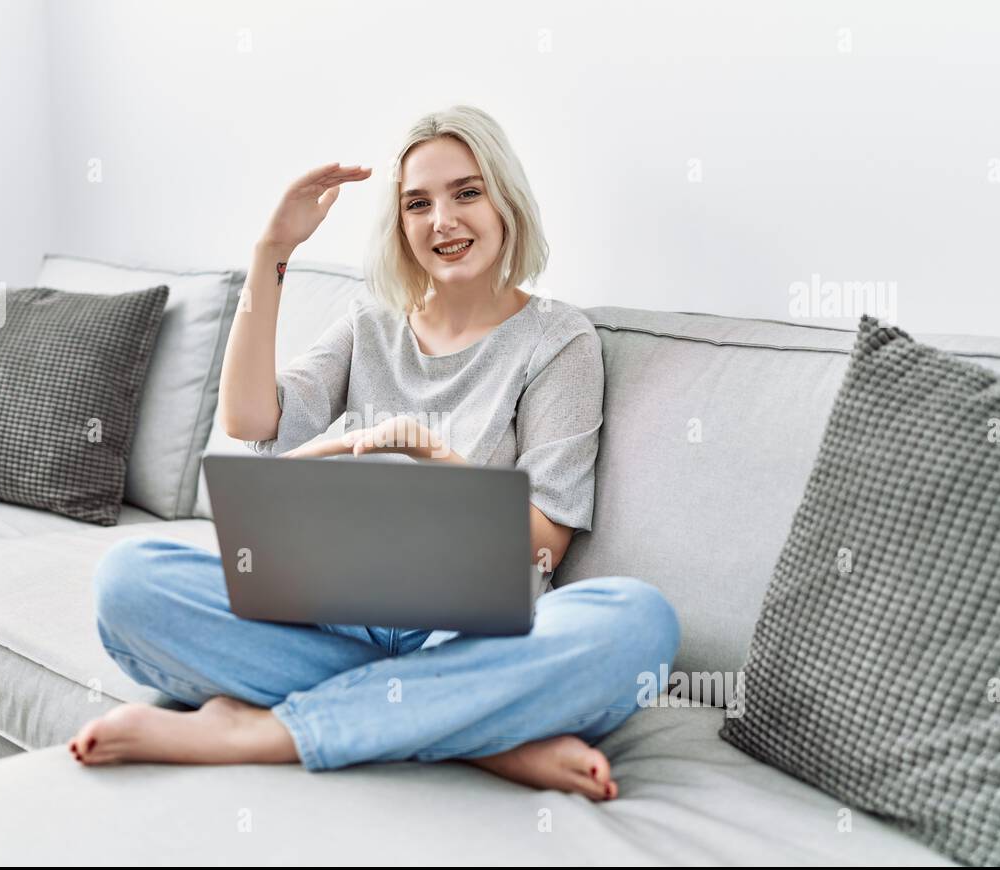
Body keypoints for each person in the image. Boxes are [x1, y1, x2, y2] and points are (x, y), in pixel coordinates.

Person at [67, 105, 680, 801]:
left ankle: (265, 731)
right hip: (327, 609)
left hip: (467, 631)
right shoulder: (370, 321)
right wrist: (272, 252)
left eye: (466, 192)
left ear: (505, 199)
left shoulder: (557, 338)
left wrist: (439, 466)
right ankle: (478, 732)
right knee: (129, 580)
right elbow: (247, 417)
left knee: (637, 622)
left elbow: (546, 545)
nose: (441, 220)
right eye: (417, 203)